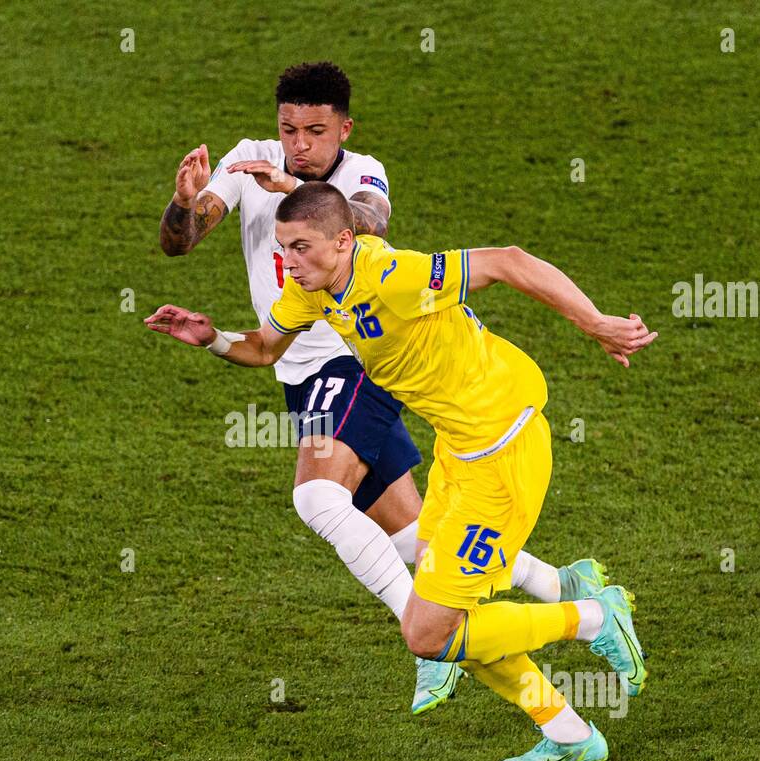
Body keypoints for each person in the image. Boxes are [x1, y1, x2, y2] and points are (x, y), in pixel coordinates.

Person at [146, 182, 657, 761]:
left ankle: (594, 615)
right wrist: (211, 338)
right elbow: (265, 348)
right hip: (461, 450)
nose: (289, 261)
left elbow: (508, 262)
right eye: (283, 248)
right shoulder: (313, 290)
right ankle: (570, 734)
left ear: (344, 240)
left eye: (303, 247)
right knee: (447, 622)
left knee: (428, 634)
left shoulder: (393, 276)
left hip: (504, 453)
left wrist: (595, 323)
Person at [158, 62, 600, 716]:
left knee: (316, 498)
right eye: (289, 129)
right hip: (297, 369)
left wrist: (292, 190)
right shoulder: (249, 161)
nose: (300, 144)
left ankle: (432, 643)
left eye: (315, 130)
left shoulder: (360, 173)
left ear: (344, 128)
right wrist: (186, 200)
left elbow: (368, 220)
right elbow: (182, 241)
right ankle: (558, 647)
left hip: (351, 363)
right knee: (413, 537)